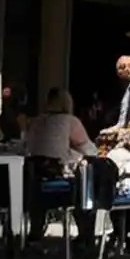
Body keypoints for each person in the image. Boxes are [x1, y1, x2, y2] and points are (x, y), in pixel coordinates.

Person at [24, 89, 98, 246]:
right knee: (85, 184)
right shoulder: (70, 122)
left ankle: (35, 230)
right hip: (59, 178)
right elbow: (88, 149)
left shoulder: (36, 121)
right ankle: (86, 235)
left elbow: (28, 146)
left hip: (34, 179)